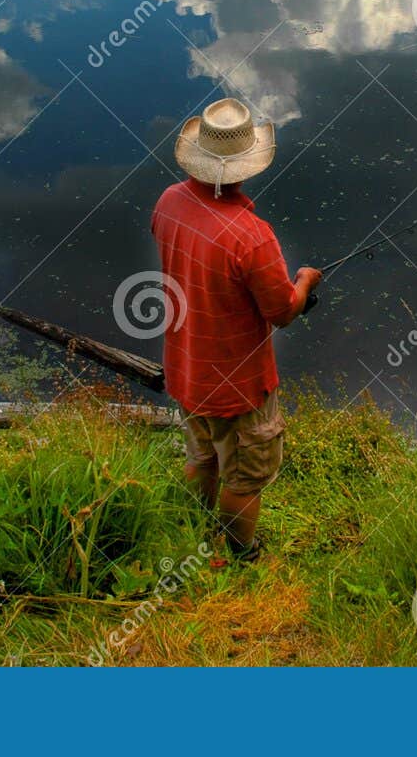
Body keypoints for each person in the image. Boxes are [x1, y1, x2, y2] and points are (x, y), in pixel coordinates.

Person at [150, 97, 321, 562]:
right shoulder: (252, 235)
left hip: (186, 369)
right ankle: (242, 554)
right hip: (239, 386)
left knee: (201, 455)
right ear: (245, 166)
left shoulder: (169, 201)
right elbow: (282, 312)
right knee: (244, 476)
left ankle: (196, 531)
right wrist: (305, 281)